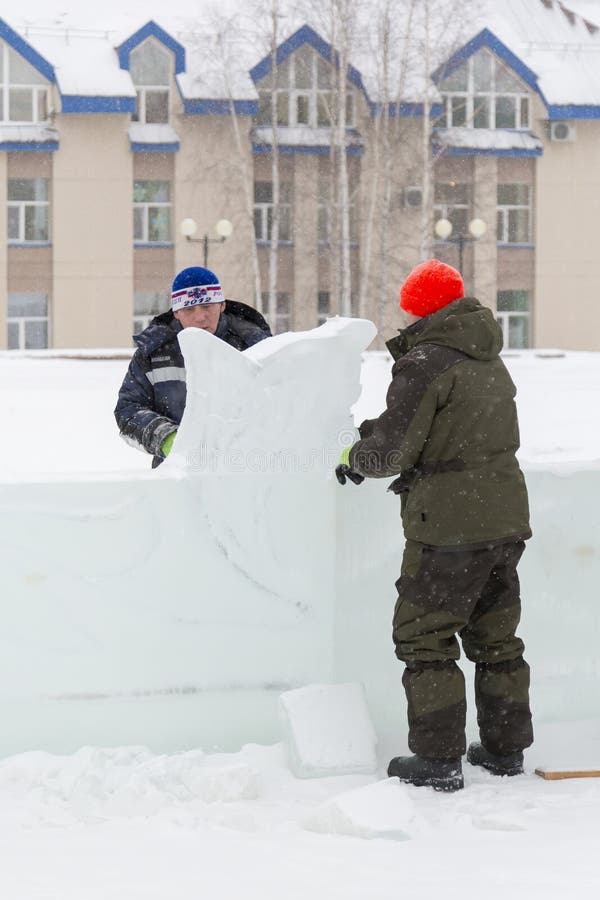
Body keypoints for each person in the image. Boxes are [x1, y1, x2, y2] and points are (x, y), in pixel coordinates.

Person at [336, 259, 533, 792]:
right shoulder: (487, 357)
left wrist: (356, 456)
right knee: (496, 637)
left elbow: (395, 451)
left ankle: (438, 758)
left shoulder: (425, 361)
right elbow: (447, 427)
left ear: (419, 307)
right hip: (504, 516)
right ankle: (505, 749)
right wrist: (377, 432)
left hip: (450, 525)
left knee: (423, 637)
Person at [115, 266, 271, 467]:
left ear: (222, 305)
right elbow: (128, 410)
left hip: (245, 470)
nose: (200, 317)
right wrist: (170, 440)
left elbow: (279, 404)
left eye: (207, 306)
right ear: (177, 312)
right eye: (189, 309)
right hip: (178, 473)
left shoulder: (254, 344)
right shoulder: (153, 352)